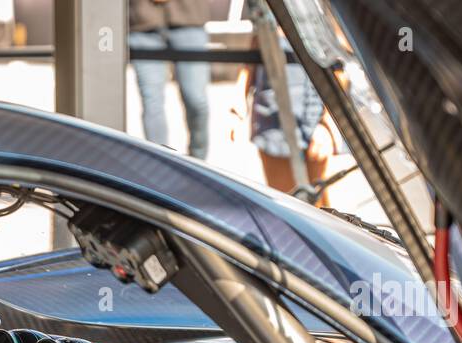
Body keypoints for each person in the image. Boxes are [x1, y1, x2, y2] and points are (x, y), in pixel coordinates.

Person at [230, 32, 340, 207]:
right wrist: (238, 108)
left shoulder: (320, 11)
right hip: (271, 121)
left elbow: (340, 67)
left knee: (323, 210)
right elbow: (253, 58)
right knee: (285, 205)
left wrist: (327, 123)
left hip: (313, 119)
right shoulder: (266, 11)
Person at [129, 0, 211, 159]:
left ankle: (199, 165)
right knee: (152, 101)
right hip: (142, 20)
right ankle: (160, 165)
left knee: (197, 101)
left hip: (189, 17)